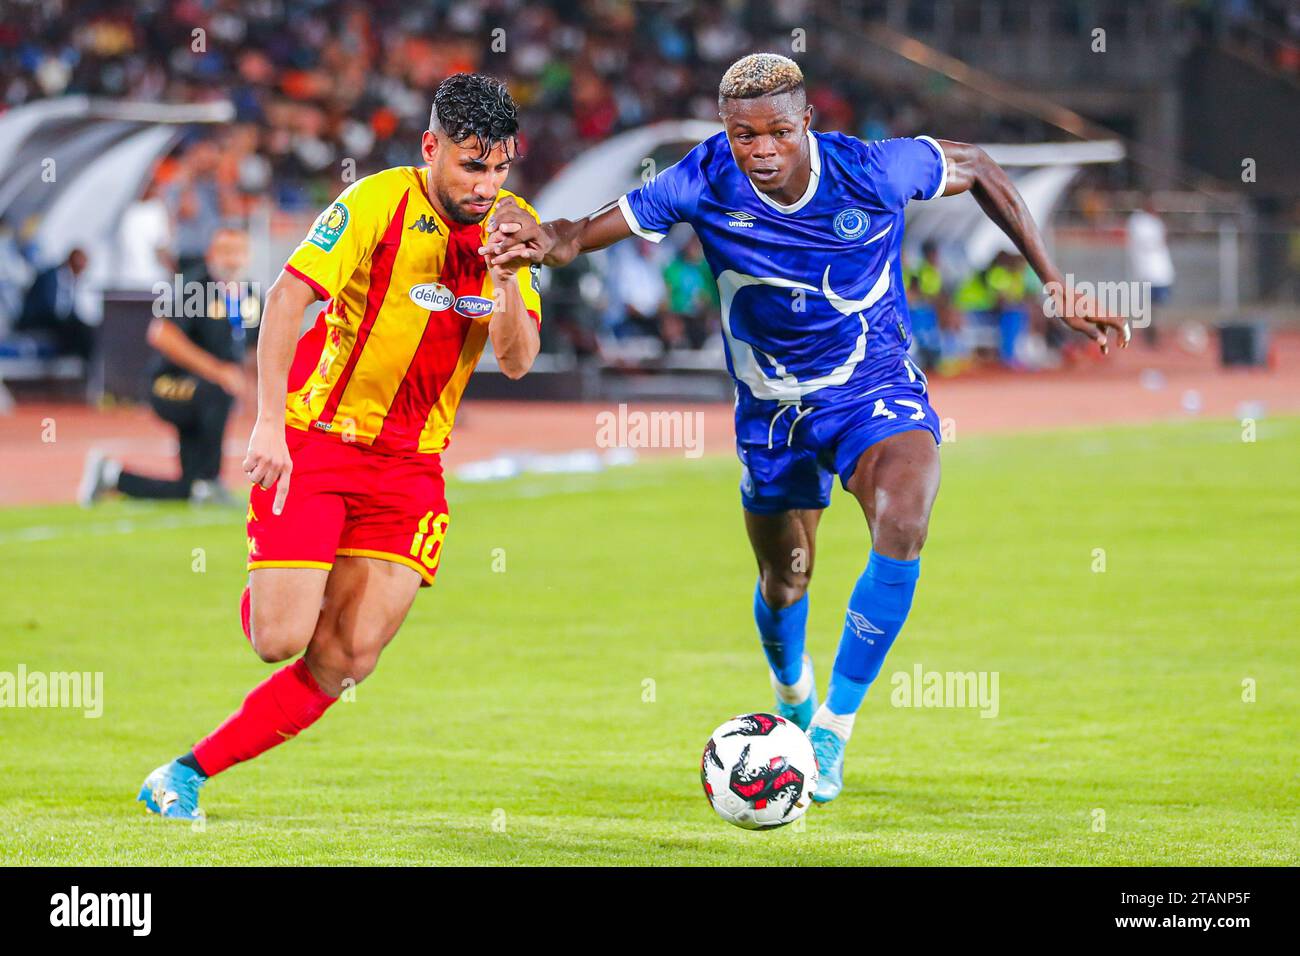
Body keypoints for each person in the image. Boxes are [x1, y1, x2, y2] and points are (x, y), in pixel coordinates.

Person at [486, 53, 1127, 804]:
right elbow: (580, 234)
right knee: (785, 579)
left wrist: (1054, 282)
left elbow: (980, 168)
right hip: (771, 415)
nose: (759, 150)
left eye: (777, 133)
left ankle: (831, 729)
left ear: (807, 124)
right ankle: (791, 697)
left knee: (905, 517)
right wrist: (537, 238)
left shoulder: (875, 171)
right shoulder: (700, 177)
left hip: (873, 391)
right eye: (742, 135)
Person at [136, 73, 542, 820]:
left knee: (348, 658)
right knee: (279, 639)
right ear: (432, 148)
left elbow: (516, 358)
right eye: (470, 165)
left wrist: (508, 278)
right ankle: (274, 585)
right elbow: (289, 295)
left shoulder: (514, 228)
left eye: (498, 167)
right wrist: (268, 424)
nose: (487, 184)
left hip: (412, 468)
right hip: (319, 443)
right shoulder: (375, 201)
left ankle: (183, 774)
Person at [78, 227, 257, 507]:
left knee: (190, 486)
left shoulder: (249, 296)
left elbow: (252, 349)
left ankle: (114, 477)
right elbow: (161, 333)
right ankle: (211, 481)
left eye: (238, 252)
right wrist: (217, 370)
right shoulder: (196, 287)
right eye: (226, 251)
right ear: (212, 254)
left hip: (203, 394)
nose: (232, 260)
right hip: (169, 385)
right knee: (217, 390)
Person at [15, 248, 93, 360]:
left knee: (84, 329)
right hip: (37, 320)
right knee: (76, 330)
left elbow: (69, 309)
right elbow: (46, 307)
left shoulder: (71, 282)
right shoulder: (49, 277)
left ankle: (82, 365)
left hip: (55, 321)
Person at [1126, 197, 1175, 347]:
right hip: (1149, 271)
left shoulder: (1153, 223)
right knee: (1150, 305)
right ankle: (1150, 335)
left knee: (1155, 305)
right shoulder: (1140, 223)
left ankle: (1152, 334)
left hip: (1158, 271)